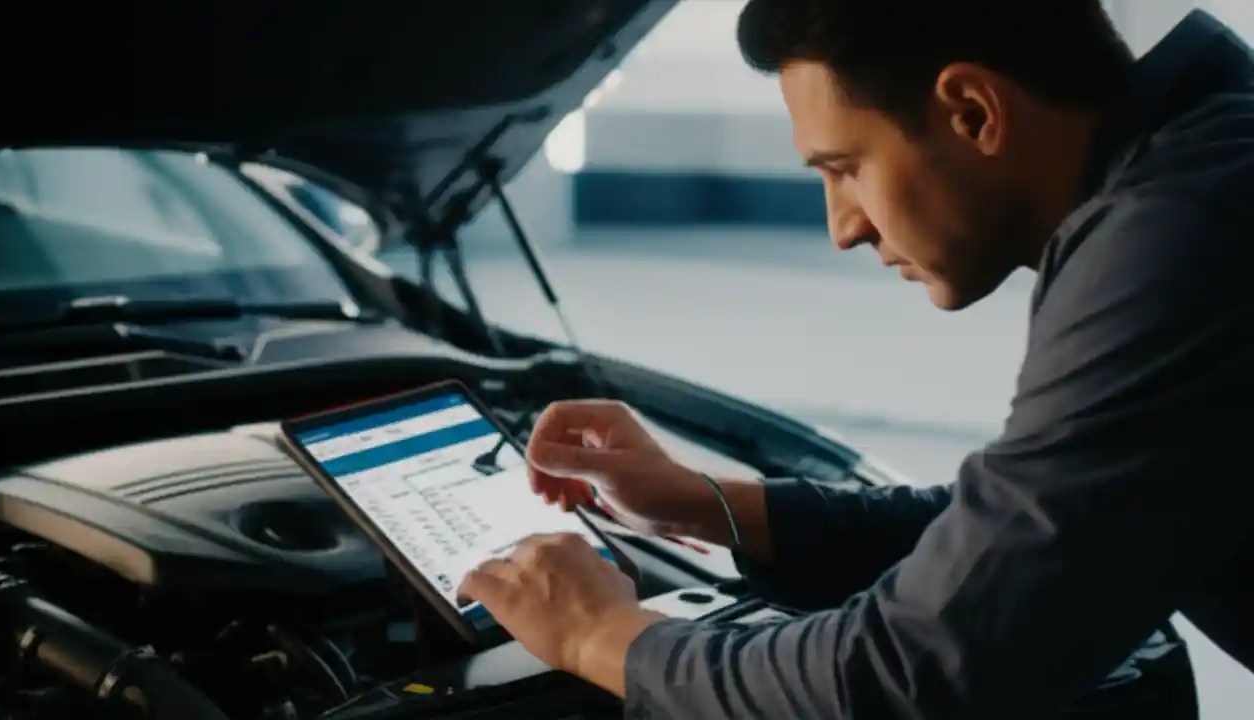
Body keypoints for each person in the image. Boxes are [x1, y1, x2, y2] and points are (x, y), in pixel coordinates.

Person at [457, 1, 1254, 717]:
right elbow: (1033, 523)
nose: (844, 228)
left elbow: (919, 671)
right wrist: (705, 503)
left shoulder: (1178, 238)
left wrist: (597, 636)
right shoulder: (1203, 160)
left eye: (844, 168)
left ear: (973, 112)